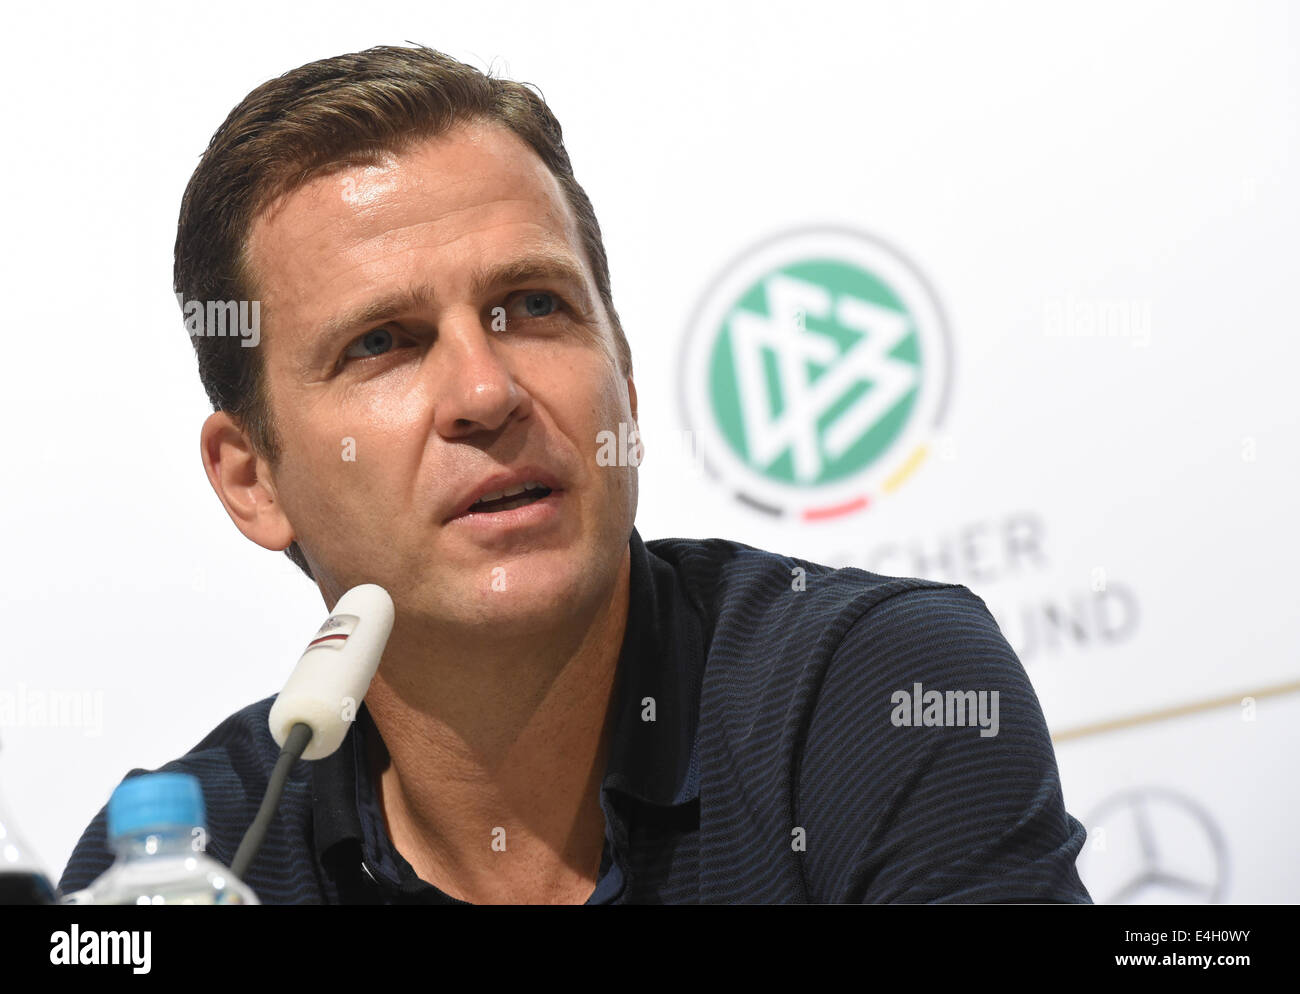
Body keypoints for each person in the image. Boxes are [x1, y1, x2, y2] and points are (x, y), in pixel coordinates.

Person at [60, 44, 1091, 904]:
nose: (486, 390)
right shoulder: (181, 873)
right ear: (253, 481)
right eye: (382, 341)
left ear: (626, 382)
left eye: (534, 306)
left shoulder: (874, 692)